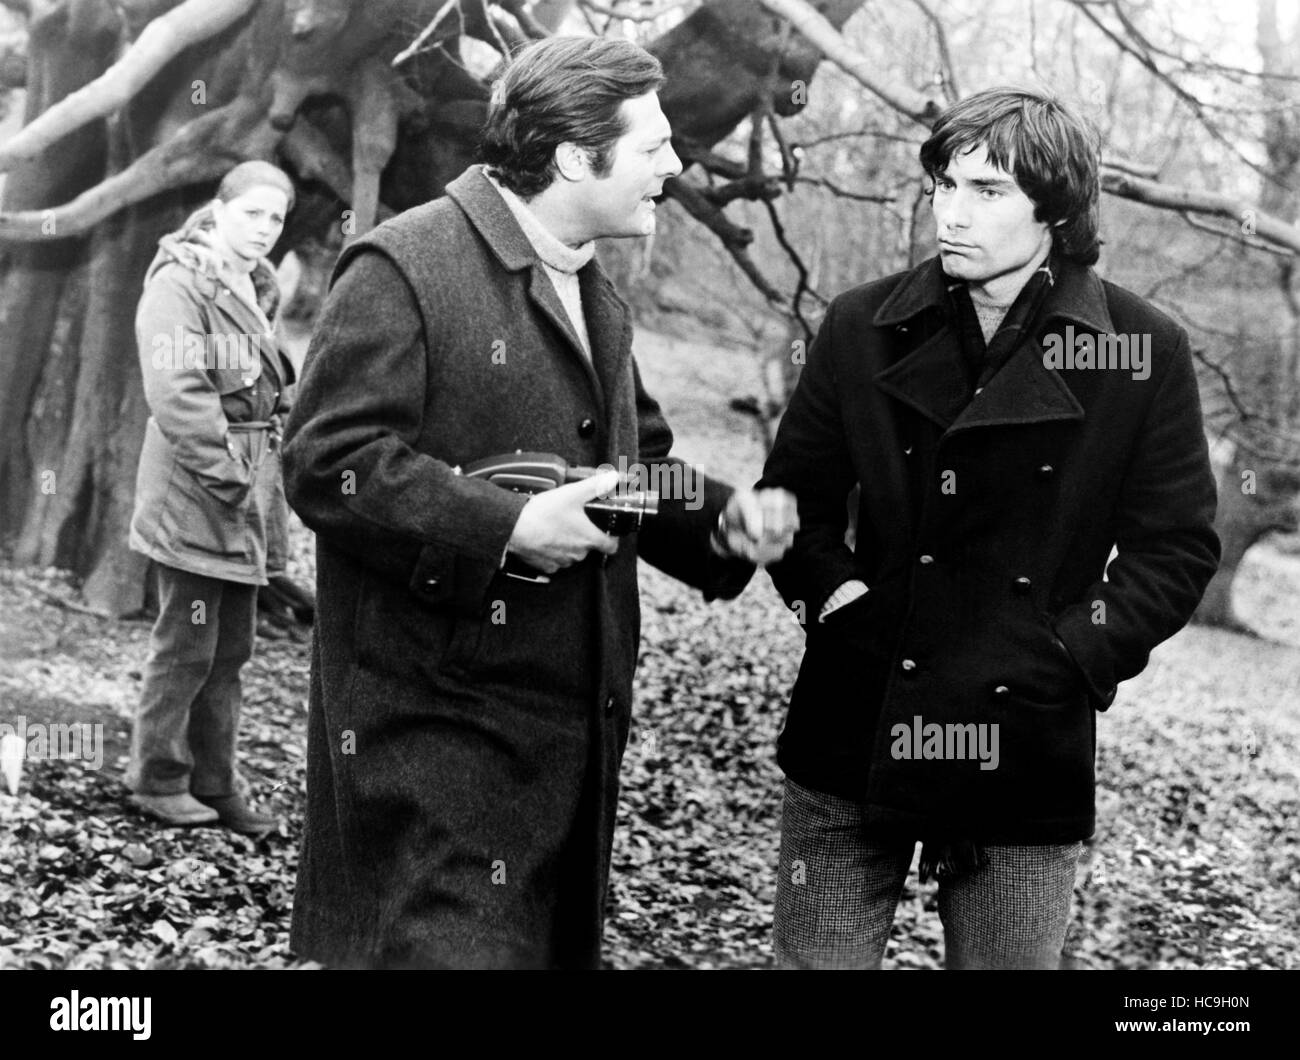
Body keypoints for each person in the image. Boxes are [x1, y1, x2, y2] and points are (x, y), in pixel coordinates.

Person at [281, 36, 798, 970]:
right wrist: (506, 523)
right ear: (573, 158)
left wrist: (722, 519)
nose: (676, 169)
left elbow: (637, 463)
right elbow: (328, 461)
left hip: (564, 748)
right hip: (428, 744)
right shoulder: (403, 264)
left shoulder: (595, 291)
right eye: (655, 150)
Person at [757, 87, 1220, 969]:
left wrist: (1073, 653)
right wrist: (836, 596)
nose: (953, 215)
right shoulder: (864, 324)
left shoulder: (1137, 347)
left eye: (988, 192)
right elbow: (793, 502)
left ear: (1055, 208)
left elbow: (1177, 544)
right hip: (858, 719)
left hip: (1023, 737)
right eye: (945, 185)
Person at [126, 160, 297, 836]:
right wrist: (235, 478)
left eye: (276, 218)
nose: (264, 228)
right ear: (219, 210)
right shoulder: (180, 284)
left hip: (244, 492)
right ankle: (156, 778)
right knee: (185, 646)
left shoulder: (254, 287)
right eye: (251, 213)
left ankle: (215, 782)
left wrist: (263, 480)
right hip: (196, 491)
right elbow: (179, 396)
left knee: (231, 649)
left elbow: (267, 391)